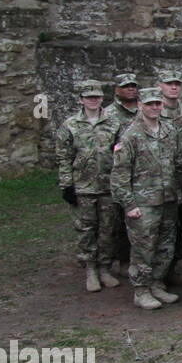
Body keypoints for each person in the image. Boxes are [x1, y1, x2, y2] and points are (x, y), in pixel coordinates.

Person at [111, 88, 182, 310]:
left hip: (168, 198)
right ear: (141, 104)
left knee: (165, 245)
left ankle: (157, 283)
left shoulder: (170, 130)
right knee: (144, 247)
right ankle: (141, 290)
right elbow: (119, 173)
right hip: (143, 202)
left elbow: (178, 164)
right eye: (150, 104)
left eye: (157, 104)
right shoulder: (130, 134)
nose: (154, 108)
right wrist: (129, 204)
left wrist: (181, 194)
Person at [56, 80, 122, 293]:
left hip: (107, 186)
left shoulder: (113, 123)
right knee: (86, 229)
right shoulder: (70, 125)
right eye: (89, 97)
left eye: (97, 97)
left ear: (102, 99)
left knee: (107, 229)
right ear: (81, 100)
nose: (93, 100)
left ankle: (104, 267)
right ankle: (90, 269)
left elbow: (120, 153)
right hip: (83, 186)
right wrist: (67, 185)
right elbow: (64, 157)